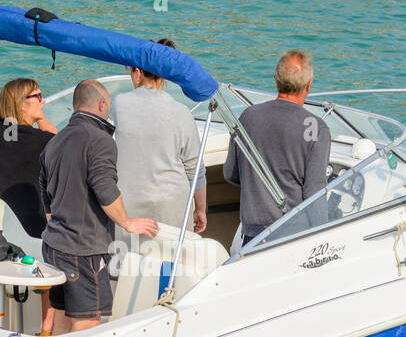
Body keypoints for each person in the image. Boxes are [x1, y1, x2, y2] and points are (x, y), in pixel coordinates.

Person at [40, 79, 158, 334]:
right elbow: (104, 187)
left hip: (53, 245)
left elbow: (44, 189)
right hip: (83, 251)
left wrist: (58, 222)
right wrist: (126, 222)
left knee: (61, 313)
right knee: (87, 321)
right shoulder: (100, 140)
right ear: (102, 104)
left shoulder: (55, 141)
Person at [223, 49, 331, 249]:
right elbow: (314, 194)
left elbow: (231, 174)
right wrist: (323, 239)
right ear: (308, 85)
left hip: (252, 235)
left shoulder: (248, 117)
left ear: (276, 80)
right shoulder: (316, 127)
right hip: (292, 237)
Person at [112, 39, 206, 236]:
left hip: (130, 204)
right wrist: (200, 210)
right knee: (172, 261)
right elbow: (195, 169)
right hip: (172, 204)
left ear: (137, 72)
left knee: (131, 262)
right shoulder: (181, 112)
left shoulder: (119, 105)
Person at [0, 78, 57, 333]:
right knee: (59, 240)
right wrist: (41, 119)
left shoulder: (1, 125)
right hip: (30, 227)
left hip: (2, 221)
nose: (44, 101)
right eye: (38, 97)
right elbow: (56, 137)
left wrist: (27, 109)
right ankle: (47, 325)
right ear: (21, 105)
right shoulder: (39, 141)